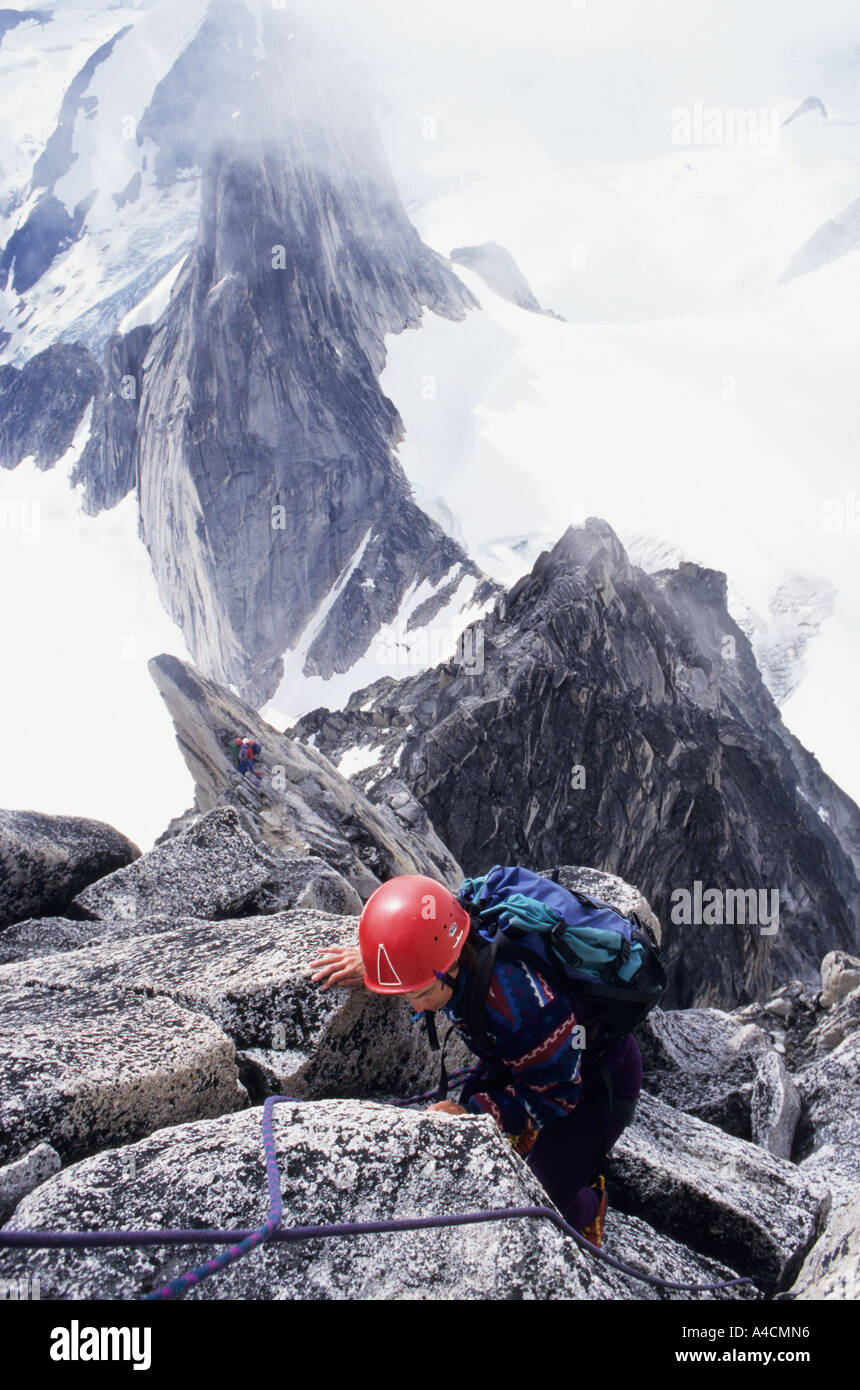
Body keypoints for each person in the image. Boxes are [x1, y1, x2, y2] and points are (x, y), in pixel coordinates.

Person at [310, 872, 643, 1247]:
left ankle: (590, 1207)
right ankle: (525, 1131)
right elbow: (422, 923)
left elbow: (557, 1096)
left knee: (541, 1202)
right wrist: (382, 962)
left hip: (594, 1084)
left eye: (417, 992)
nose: (416, 1007)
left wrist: (475, 1113)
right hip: (522, 1058)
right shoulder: (456, 933)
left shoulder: (522, 1007)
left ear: (449, 969)